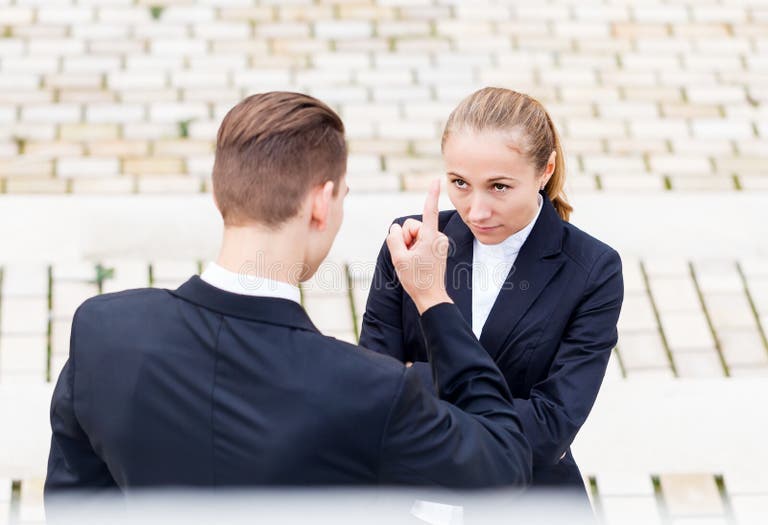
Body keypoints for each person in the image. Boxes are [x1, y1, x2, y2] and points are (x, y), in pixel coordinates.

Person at [44, 92, 532, 499]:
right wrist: (432, 299)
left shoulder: (103, 330)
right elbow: (503, 461)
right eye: (341, 196)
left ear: (220, 194)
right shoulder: (372, 391)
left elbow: (76, 500)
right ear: (321, 204)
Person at [360, 87, 624, 494]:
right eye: (460, 183)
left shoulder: (592, 271)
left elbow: (551, 427)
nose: (476, 211)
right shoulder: (409, 243)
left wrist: (416, 380)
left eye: (499, 187)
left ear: (545, 170)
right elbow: (373, 397)